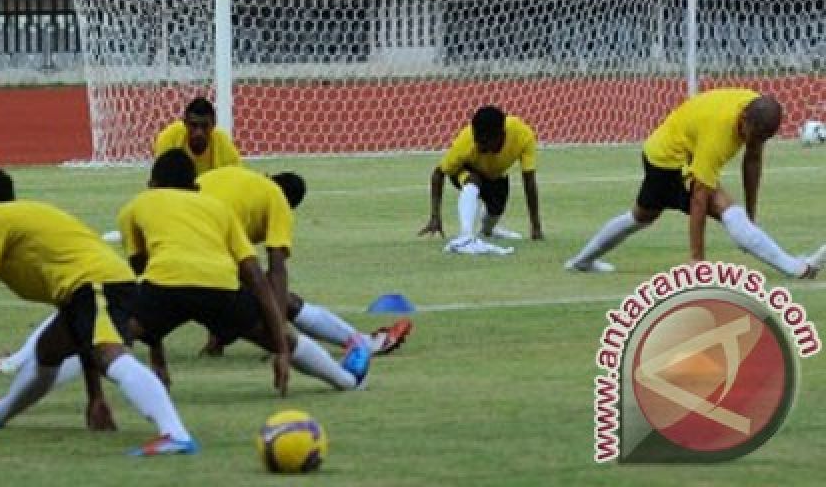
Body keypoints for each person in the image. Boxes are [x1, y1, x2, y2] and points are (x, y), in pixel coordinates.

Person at [0, 165, 199, 456]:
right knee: (49, 350)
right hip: (95, 284)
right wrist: (94, 396)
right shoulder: (29, 218)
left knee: (109, 355)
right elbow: (80, 327)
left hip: (97, 284)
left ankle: (175, 433)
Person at [119, 149, 370, 394]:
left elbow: (142, 275)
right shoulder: (220, 210)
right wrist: (280, 348)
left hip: (165, 286)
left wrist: (157, 357)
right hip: (220, 287)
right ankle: (348, 381)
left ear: (151, 184)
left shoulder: (135, 206)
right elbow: (257, 277)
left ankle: (96, 397)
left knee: (105, 339)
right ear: (195, 187)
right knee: (286, 340)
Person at [566, 89, 826, 277]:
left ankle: (581, 262)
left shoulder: (754, 112)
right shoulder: (719, 136)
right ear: (745, 121)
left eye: (764, 138)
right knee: (722, 207)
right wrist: (697, 261)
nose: (757, 141)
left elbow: (753, 161)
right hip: (668, 160)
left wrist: (751, 215)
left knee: (641, 216)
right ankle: (796, 269)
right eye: (755, 135)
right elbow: (699, 198)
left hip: (667, 148)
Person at [197, 165, 412, 357]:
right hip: (199, 250)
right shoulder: (276, 198)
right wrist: (279, 331)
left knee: (228, 292)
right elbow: (277, 270)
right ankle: (364, 343)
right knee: (275, 297)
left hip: (172, 235)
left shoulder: (239, 177)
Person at [419, 105, 543, 256]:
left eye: (484, 142)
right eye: (477, 141)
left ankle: (488, 231)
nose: (480, 147)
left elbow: (529, 181)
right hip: (467, 170)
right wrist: (435, 217)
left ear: (500, 135)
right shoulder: (465, 143)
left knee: (495, 212)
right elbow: (438, 175)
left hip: (495, 175)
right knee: (473, 180)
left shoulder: (523, 136)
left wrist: (536, 226)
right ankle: (466, 236)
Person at [152, 97, 241, 176]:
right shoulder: (169, 139)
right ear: (185, 123)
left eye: (205, 126)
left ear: (213, 125)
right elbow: (160, 181)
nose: (199, 133)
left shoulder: (225, 146)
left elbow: (235, 182)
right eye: (193, 125)